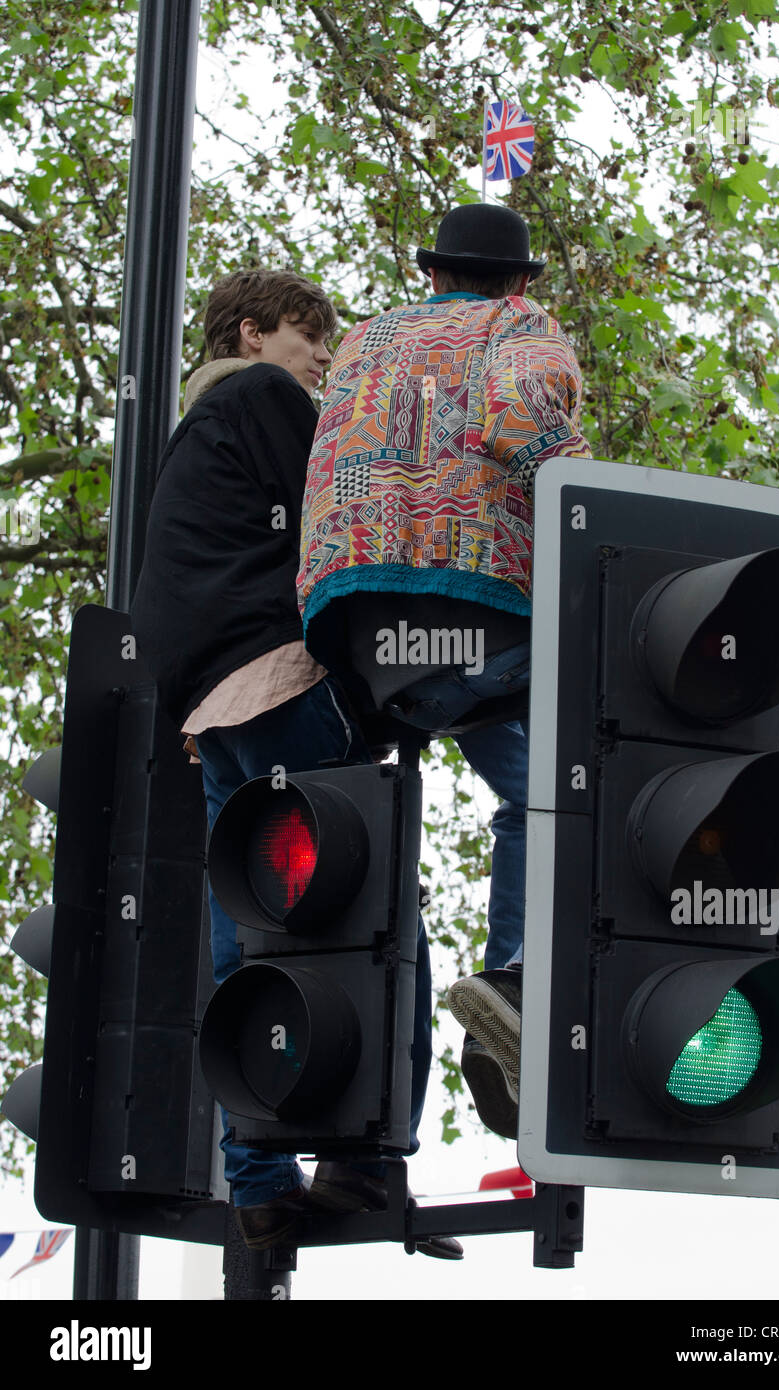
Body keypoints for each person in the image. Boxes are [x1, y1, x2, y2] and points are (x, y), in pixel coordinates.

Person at [129, 267, 461, 1259]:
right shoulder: (259, 397)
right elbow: (341, 510)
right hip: (280, 680)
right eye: (304, 335)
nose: (321, 355)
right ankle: (365, 1161)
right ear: (247, 333)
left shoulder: (191, 440)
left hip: (212, 710)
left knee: (257, 934)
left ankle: (262, 1181)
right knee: (380, 916)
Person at [297, 205, 592, 1138]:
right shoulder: (518, 329)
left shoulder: (362, 342)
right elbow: (514, 416)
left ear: (432, 275)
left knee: (513, 762)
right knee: (577, 770)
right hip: (474, 616)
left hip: (364, 640)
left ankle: (479, 1007)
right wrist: (595, 491)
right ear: (518, 283)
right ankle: (512, 976)